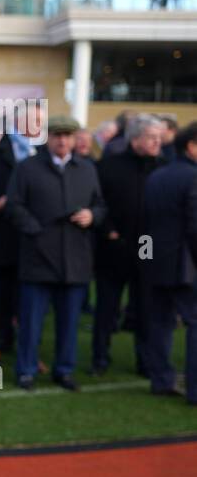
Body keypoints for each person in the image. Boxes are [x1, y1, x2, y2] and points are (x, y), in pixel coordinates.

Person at [4, 115, 106, 391]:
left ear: (74, 139)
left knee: (69, 322)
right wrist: (36, 231)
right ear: (47, 137)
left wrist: (92, 215)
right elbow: (14, 206)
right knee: (31, 322)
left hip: (75, 258)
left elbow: (100, 205)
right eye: (57, 135)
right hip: (37, 258)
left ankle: (64, 370)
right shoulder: (27, 168)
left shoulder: (87, 170)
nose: (62, 140)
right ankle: (25, 371)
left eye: (67, 136)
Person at [91, 113, 164, 376]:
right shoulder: (108, 166)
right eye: (152, 137)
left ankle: (145, 361)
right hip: (113, 249)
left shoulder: (162, 167)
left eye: (160, 137)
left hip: (148, 249)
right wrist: (109, 231)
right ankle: (99, 358)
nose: (158, 142)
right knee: (106, 309)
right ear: (136, 139)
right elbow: (97, 201)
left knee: (145, 309)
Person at [139, 122, 197, 404]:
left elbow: (145, 223)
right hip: (185, 266)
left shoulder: (156, 176)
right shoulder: (193, 177)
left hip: (156, 264)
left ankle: (160, 379)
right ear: (191, 147)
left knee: (160, 322)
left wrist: (145, 261)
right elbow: (195, 228)